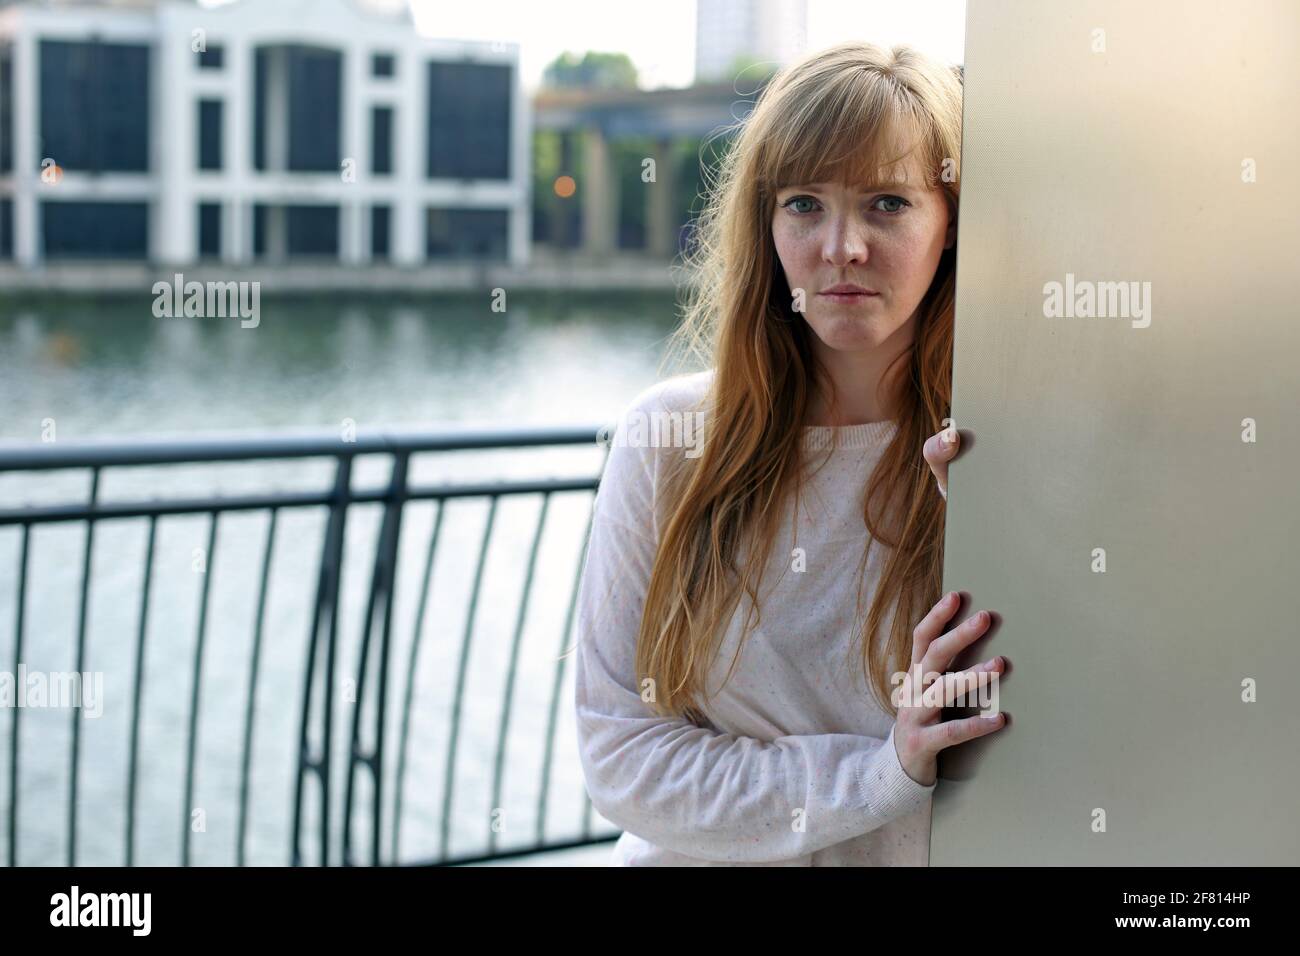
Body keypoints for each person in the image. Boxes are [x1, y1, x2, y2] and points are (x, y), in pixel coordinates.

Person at [572, 41, 1007, 866]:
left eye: (886, 202)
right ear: (766, 224)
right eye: (805, 203)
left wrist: (991, 529)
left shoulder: (993, 458)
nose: (842, 246)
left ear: (951, 222)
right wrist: (881, 774)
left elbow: (1065, 739)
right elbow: (620, 760)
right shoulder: (668, 441)